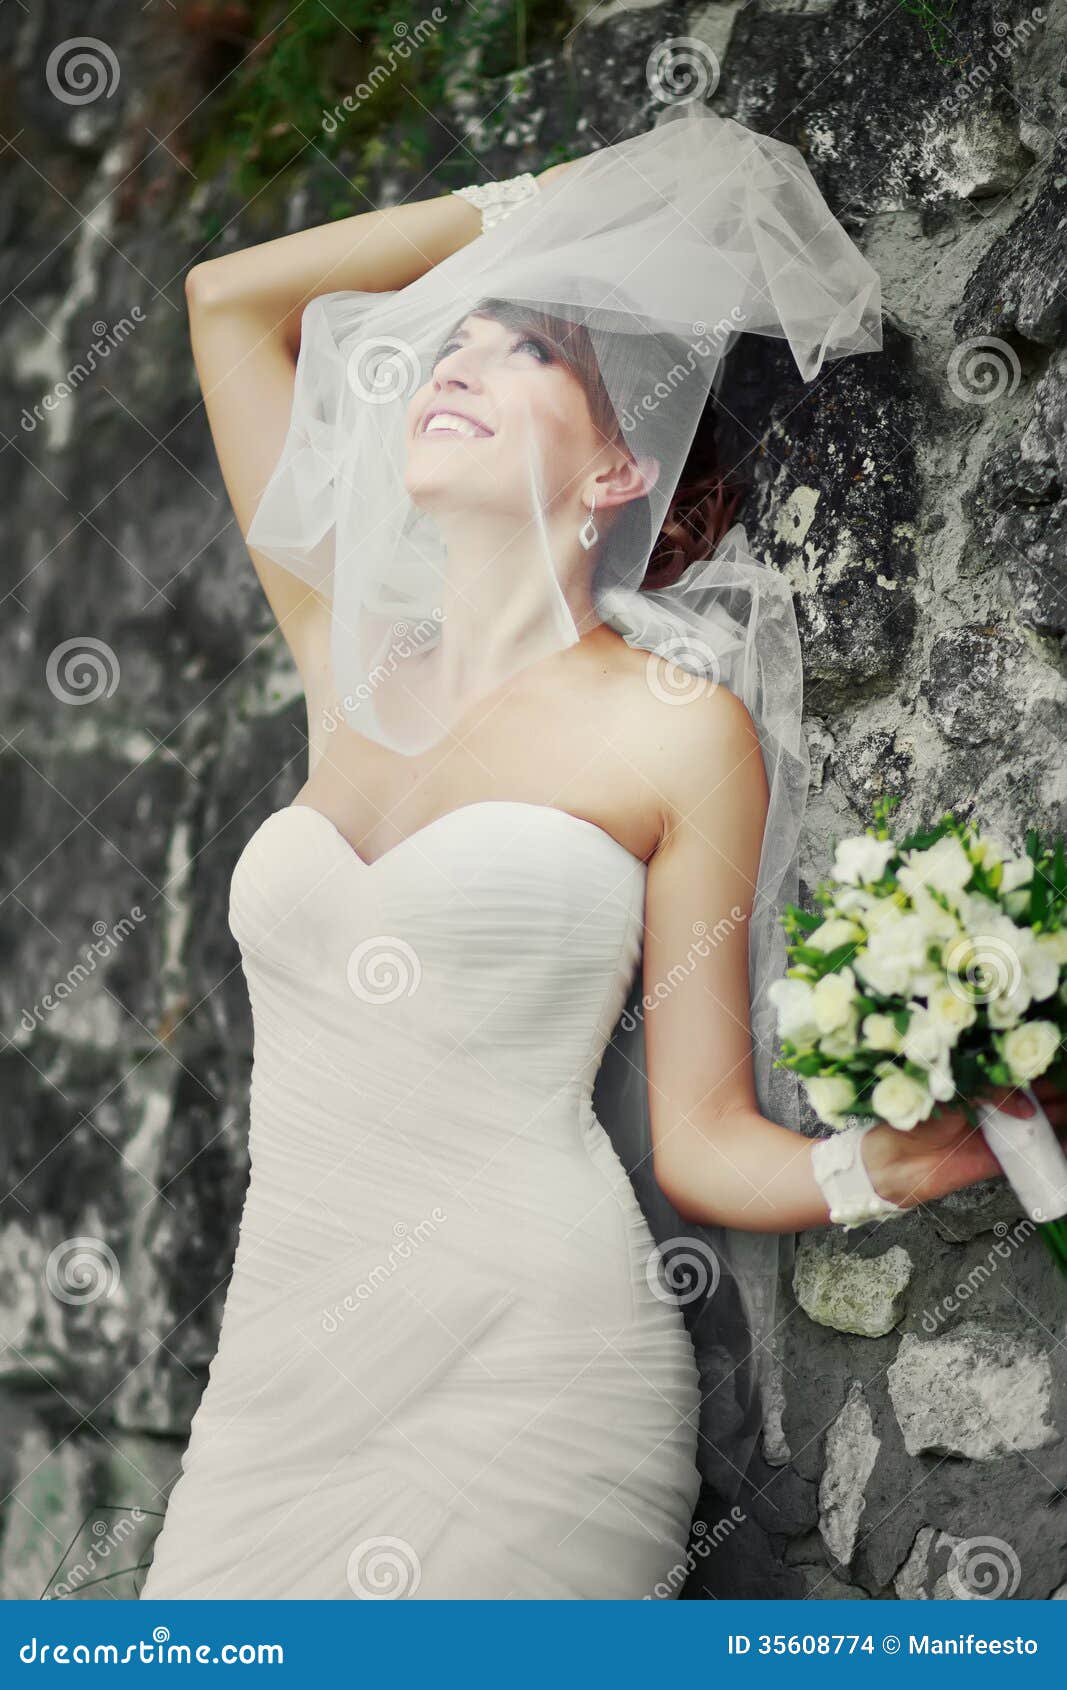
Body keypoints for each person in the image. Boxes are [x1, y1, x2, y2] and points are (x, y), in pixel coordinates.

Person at [136, 105, 1064, 1601]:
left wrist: (883, 1164)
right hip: (274, 1398)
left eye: (524, 350)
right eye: (448, 344)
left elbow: (698, 1138)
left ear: (619, 467)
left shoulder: (677, 729)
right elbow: (225, 300)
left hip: (537, 1377)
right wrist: (560, 199)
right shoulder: (347, 660)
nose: (455, 360)